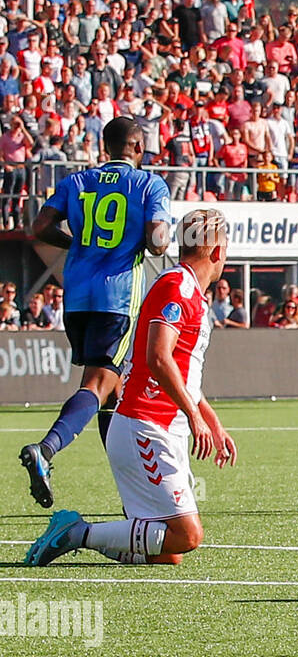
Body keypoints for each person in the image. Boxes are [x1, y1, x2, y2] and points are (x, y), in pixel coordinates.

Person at [25, 209, 237, 568]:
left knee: (168, 553)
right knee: (187, 536)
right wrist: (192, 416)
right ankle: (75, 532)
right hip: (146, 427)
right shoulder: (177, 286)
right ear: (216, 251)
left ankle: (85, 534)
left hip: (159, 431)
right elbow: (158, 357)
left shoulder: (193, 294)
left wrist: (211, 422)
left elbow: (185, 374)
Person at [22, 117, 171, 509]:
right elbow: (158, 240)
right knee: (99, 385)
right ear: (138, 148)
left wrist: (74, 244)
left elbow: (40, 226)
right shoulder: (148, 183)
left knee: (115, 394)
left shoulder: (76, 181)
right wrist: (151, 240)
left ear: (106, 147)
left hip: (77, 297)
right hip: (116, 298)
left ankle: (131, 495)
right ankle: (46, 449)